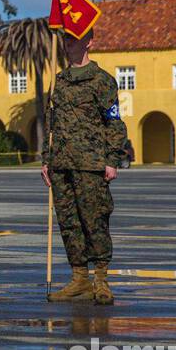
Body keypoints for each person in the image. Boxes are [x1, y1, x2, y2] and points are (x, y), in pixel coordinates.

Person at [41, 30, 127, 305]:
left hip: (91, 164)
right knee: (69, 223)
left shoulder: (102, 80)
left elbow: (114, 122)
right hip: (61, 163)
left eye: (74, 39)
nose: (68, 44)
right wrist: (47, 158)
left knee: (95, 221)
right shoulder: (59, 82)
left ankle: (101, 280)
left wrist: (112, 159)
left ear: (89, 42)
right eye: (66, 40)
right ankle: (79, 279)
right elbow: (50, 125)